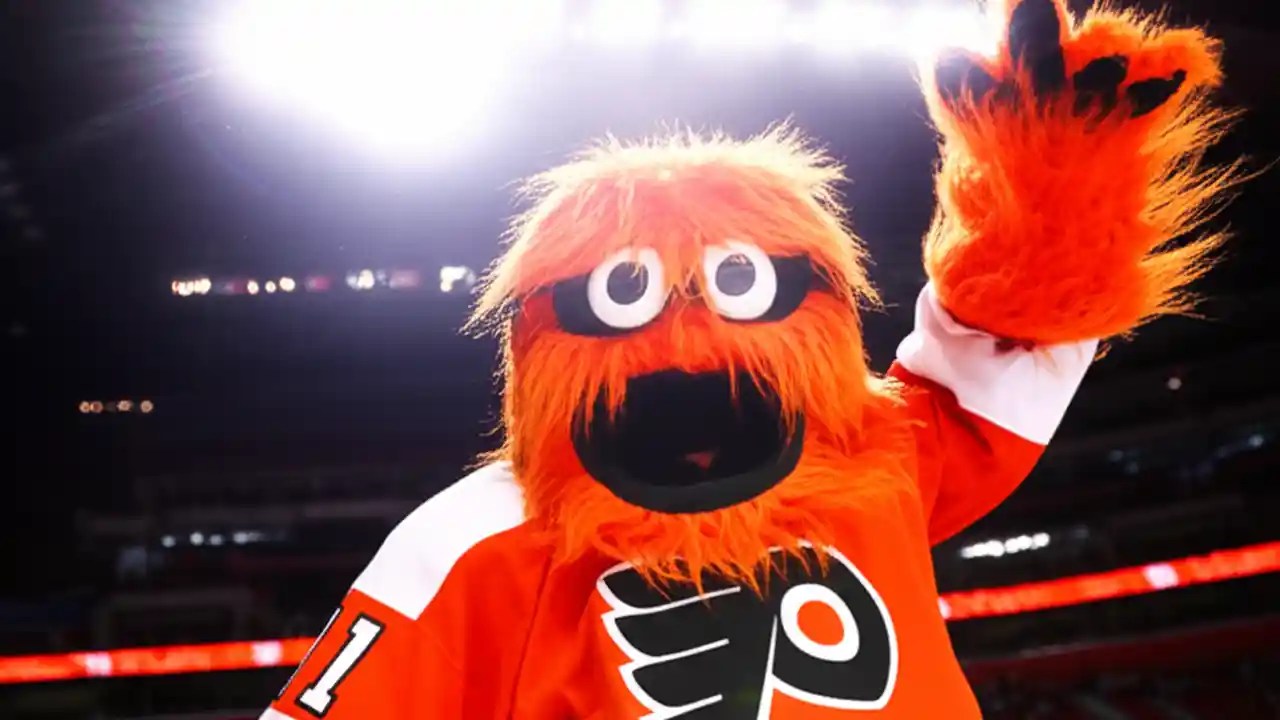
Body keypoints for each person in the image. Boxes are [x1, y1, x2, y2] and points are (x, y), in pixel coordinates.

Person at [261, 0, 1242, 716]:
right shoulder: (479, 535)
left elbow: (1016, 333)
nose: (687, 345)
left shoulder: (868, 450)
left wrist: (1049, 181)